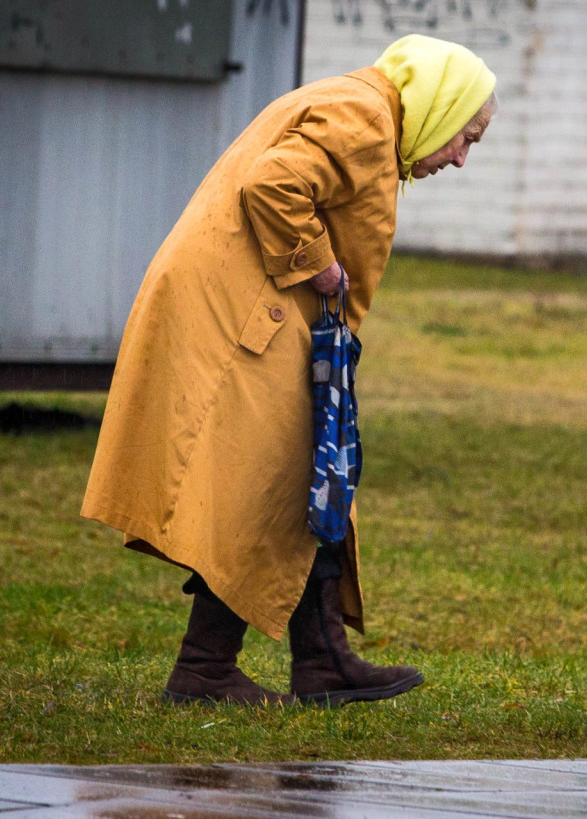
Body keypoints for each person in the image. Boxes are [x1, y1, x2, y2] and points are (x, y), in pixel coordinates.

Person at [81, 35, 497, 707]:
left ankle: (310, 660)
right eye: (465, 138)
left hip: (250, 304)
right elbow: (272, 183)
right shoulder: (367, 119)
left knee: (308, 469)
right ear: (442, 107)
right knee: (278, 475)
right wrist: (320, 264)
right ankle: (211, 670)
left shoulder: (362, 106)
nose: (460, 158)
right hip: (244, 310)